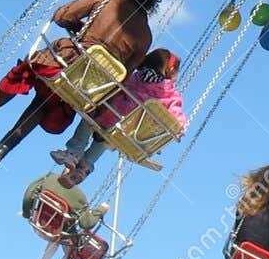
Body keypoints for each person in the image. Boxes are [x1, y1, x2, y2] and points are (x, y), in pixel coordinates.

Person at [0, 0, 167, 165]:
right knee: (44, 104)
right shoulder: (145, 36)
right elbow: (124, 74)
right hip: (88, 86)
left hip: (65, 62)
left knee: (22, 74)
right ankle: (2, 148)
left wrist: (81, 28)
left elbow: (62, 16)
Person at [52, 48, 187, 175]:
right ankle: (85, 166)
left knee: (89, 119)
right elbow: (175, 112)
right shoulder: (168, 92)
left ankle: (73, 153)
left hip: (111, 114)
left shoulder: (136, 76)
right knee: (107, 139)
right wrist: (179, 128)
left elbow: (119, 88)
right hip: (129, 129)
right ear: (170, 70)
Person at [22, 167, 110, 259]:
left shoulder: (48, 177)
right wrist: (101, 210)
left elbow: (29, 193)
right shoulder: (79, 196)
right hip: (58, 231)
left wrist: (27, 212)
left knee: (56, 236)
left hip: (40, 221)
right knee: (72, 247)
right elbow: (86, 223)